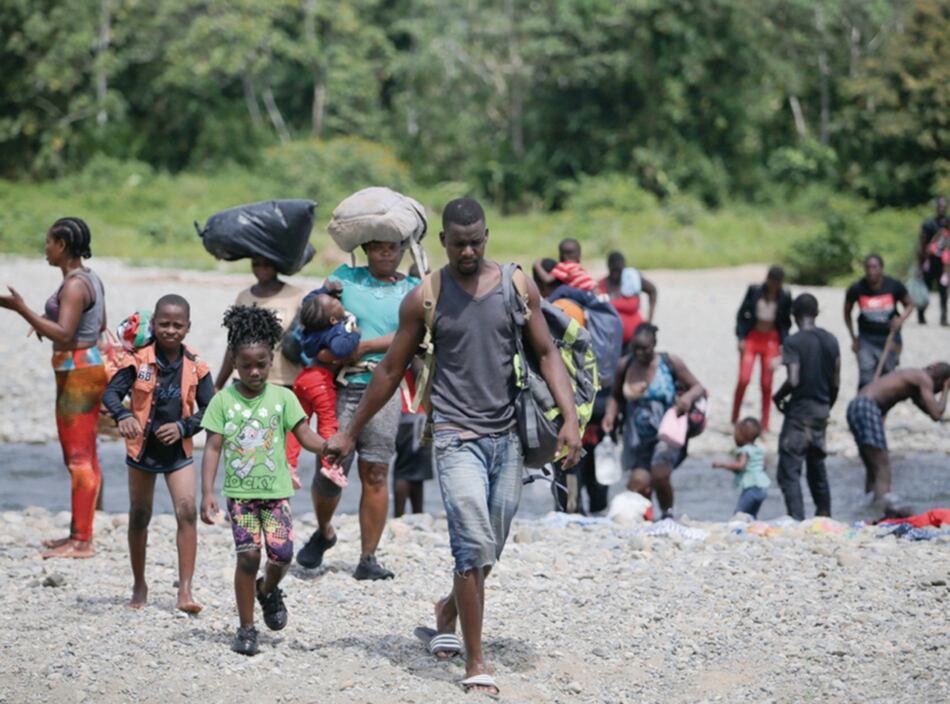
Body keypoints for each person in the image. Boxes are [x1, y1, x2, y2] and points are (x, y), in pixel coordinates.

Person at [323, 197, 581, 696]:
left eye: (476, 241)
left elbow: (547, 352)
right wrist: (349, 432)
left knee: (492, 544)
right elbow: (390, 369)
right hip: (453, 437)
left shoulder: (515, 285)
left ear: (487, 235)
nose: (468, 250)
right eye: (459, 243)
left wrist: (569, 420)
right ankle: (475, 660)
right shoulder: (425, 296)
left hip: (506, 437)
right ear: (442, 242)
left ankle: (447, 608)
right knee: (469, 541)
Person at [199, 305, 330, 656]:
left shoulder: (283, 398)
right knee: (247, 557)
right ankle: (246, 628)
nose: (254, 372)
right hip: (239, 496)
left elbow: (306, 435)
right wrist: (207, 492)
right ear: (235, 364)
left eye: (261, 364)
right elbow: (212, 448)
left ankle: (267, 590)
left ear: (271, 359)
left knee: (282, 556)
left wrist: (329, 446)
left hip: (276, 496)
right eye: (246, 366)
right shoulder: (222, 401)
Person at [296, 241, 420, 580]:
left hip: (387, 386)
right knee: (330, 466)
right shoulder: (345, 279)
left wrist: (363, 345)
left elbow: (412, 333)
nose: (385, 254)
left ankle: (368, 558)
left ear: (403, 251)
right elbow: (313, 316)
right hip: (342, 384)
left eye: (392, 248)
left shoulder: (413, 289)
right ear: (366, 248)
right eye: (378, 248)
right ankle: (324, 531)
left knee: (376, 469)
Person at [0, 217, 107, 559]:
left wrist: (22, 310)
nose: (45, 249)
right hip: (83, 368)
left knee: (78, 458)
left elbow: (64, 334)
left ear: (62, 246)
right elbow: (94, 324)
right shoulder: (89, 278)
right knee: (83, 454)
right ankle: (77, 533)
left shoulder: (75, 285)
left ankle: (82, 541)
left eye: (48, 242)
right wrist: (45, 325)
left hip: (78, 374)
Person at [101, 294, 212, 612]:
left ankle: (185, 591)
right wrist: (122, 417)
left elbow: (211, 409)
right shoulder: (137, 360)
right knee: (139, 515)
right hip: (142, 451)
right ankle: (139, 586)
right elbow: (111, 394)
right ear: (153, 324)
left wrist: (183, 427)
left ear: (188, 328)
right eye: (164, 324)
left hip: (177, 452)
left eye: (178, 325)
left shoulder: (196, 365)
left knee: (187, 511)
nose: (171, 330)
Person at [215, 256, 305, 486]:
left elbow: (306, 338)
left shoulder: (296, 295)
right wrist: (219, 383)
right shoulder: (244, 297)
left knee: (277, 449)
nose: (261, 269)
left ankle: (276, 502)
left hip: (285, 380)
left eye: (267, 263)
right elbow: (232, 345)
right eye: (256, 264)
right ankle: (244, 498)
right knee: (243, 444)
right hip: (244, 384)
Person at [602, 323, 705, 520]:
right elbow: (614, 396)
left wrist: (687, 399)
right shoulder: (625, 365)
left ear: (654, 345)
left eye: (645, 348)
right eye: (636, 348)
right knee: (637, 483)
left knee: (659, 475)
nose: (640, 353)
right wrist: (610, 415)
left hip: (666, 433)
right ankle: (646, 517)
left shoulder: (670, 363)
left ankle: (667, 515)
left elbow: (697, 387)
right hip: (637, 437)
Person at [846, 362, 950, 517]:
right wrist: (946, 389)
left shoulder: (912, 376)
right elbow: (936, 413)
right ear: (941, 380)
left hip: (856, 406)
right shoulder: (923, 378)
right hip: (867, 406)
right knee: (882, 465)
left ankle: (869, 508)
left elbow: (929, 411)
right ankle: (883, 509)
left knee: (872, 465)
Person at [771, 294, 840, 521]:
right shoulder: (831, 340)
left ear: (793, 315)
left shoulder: (793, 342)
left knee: (789, 470)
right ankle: (824, 515)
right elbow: (836, 381)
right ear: (817, 313)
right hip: (821, 410)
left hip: (799, 412)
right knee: (816, 466)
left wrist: (776, 397)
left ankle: (796, 519)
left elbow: (793, 380)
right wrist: (827, 404)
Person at [290, 281, 360, 489]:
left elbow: (308, 302)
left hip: (304, 377)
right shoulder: (334, 332)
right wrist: (353, 333)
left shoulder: (311, 327)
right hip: (320, 381)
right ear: (332, 319)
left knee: (297, 424)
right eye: (333, 302)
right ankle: (330, 466)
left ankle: (289, 464)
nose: (336, 300)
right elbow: (340, 350)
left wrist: (324, 290)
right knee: (327, 423)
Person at [732, 265, 792, 433]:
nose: (774, 285)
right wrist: (740, 337)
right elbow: (741, 314)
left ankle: (765, 424)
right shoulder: (754, 291)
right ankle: (734, 418)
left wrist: (784, 345)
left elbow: (786, 323)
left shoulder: (784, 296)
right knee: (743, 379)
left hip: (771, 340)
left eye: (777, 283)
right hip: (752, 337)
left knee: (766, 383)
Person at [845, 254, 914, 390]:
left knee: (887, 375)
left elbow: (910, 304)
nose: (871, 272)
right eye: (868, 268)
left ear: (881, 269)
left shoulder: (894, 285)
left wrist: (900, 320)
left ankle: (882, 408)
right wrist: (853, 338)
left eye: (875, 267)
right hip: (866, 338)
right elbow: (847, 312)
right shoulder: (857, 288)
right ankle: (864, 405)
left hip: (890, 338)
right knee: (866, 375)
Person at [392, 367, 433, 518]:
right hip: (415, 415)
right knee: (405, 470)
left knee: (415, 471)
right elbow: (421, 375)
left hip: (404, 414)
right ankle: (399, 516)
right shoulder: (414, 355)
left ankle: (417, 514)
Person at [712, 417, 770, 519]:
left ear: (742, 435)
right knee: (751, 515)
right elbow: (763, 466)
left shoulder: (745, 450)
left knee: (739, 514)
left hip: (752, 488)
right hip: (763, 489)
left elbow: (741, 466)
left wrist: (722, 465)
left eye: (736, 433)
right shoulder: (757, 449)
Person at [596, 251, 657, 345]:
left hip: (635, 340)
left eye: (619, 269)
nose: (616, 273)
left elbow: (652, 291)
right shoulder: (601, 285)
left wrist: (649, 321)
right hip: (610, 342)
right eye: (613, 269)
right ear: (608, 266)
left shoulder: (633, 282)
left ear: (624, 266)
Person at [917, 196, 948, 326]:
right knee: (925, 290)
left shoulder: (948, 223)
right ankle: (921, 314)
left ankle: (943, 317)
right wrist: (920, 264)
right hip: (929, 262)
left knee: (943, 291)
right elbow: (922, 244)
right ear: (936, 207)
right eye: (939, 206)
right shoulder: (929, 224)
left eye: (944, 206)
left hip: (944, 265)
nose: (941, 209)